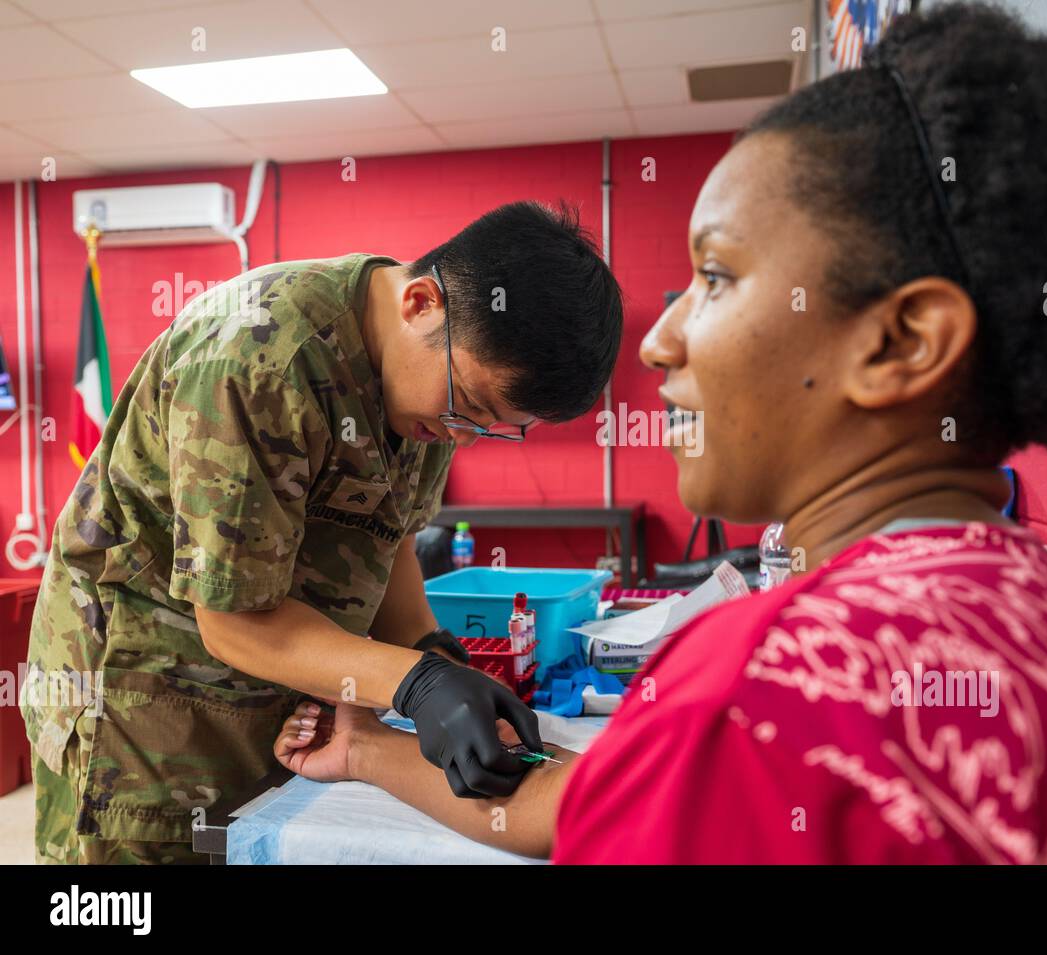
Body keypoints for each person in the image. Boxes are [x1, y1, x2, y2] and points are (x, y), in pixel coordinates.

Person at [273, 3, 1047, 864]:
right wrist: (367, 749)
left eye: (716, 277)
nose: (663, 342)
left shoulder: (759, 680)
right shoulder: (1034, 596)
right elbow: (610, 796)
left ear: (901, 342)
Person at [21, 200, 623, 864]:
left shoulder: (429, 380)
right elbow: (233, 621)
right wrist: (414, 681)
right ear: (420, 302)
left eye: (489, 424)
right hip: (141, 691)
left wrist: (438, 658)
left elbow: (385, 538)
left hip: (269, 683)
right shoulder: (260, 359)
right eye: (469, 407)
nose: (461, 434)